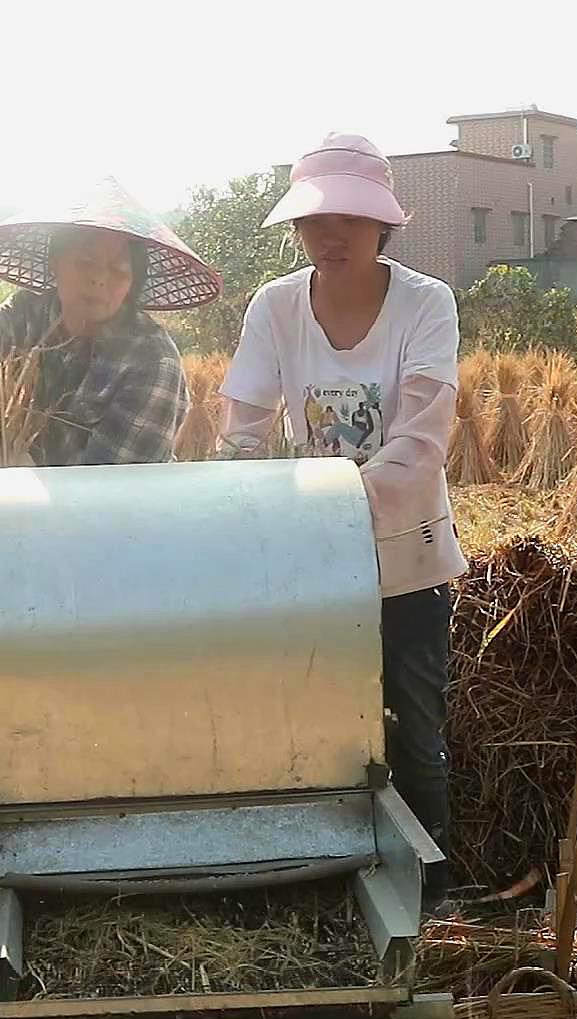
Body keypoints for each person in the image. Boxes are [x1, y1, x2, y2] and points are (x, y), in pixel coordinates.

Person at [215, 134, 468, 907]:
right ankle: (323, 879)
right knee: (313, 718)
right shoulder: (276, 307)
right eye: (316, 220)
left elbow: (420, 442)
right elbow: (242, 426)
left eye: (352, 218)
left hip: (405, 559)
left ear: (382, 224)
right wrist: (232, 504)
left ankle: (430, 890)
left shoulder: (426, 304)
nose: (332, 235)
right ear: (296, 228)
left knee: (413, 727)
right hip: (310, 564)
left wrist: (324, 504)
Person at [0, 177, 222, 466]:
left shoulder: (152, 360)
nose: (99, 279)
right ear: (55, 263)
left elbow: (109, 485)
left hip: (102, 495)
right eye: (85, 262)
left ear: (132, 283)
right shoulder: (23, 314)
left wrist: (21, 474)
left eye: (118, 271)